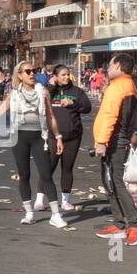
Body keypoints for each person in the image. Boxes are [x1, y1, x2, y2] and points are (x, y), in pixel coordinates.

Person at [0, 60, 65, 228]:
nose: (32, 74)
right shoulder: (13, 94)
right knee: (24, 175)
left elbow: (50, 116)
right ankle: (29, 213)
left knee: (46, 174)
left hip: (39, 137)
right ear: (19, 76)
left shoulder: (43, 92)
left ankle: (56, 215)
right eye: (27, 71)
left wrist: (58, 136)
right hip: (19, 138)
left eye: (33, 70)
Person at [92, 53, 137, 244]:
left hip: (114, 140)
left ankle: (133, 225)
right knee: (110, 181)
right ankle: (120, 223)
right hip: (115, 139)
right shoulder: (127, 85)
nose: (107, 68)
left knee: (115, 181)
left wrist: (101, 141)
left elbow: (109, 116)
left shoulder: (118, 87)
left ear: (118, 66)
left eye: (110, 64)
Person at [47, 65, 92, 213]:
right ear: (55, 76)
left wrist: (74, 103)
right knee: (48, 168)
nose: (66, 77)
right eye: (63, 75)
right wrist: (51, 86)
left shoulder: (76, 91)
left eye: (68, 74)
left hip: (73, 136)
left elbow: (87, 107)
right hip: (53, 136)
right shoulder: (49, 91)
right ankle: (40, 200)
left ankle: (65, 201)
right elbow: (41, 100)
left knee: (67, 168)